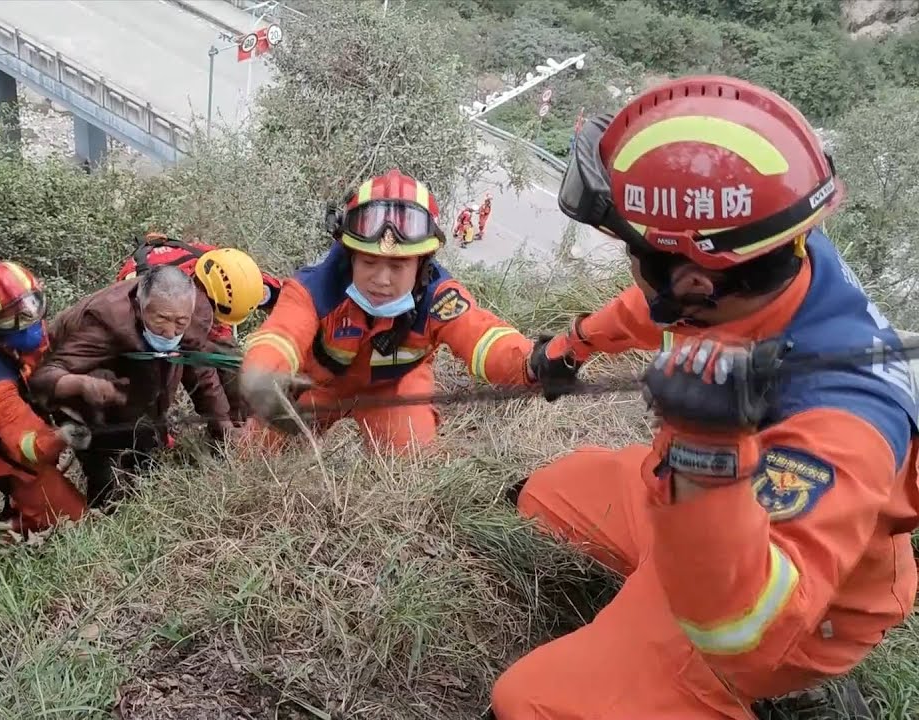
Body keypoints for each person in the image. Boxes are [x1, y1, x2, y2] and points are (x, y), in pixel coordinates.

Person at [490, 75, 919, 719]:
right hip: (697, 509)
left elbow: (746, 629)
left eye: (631, 249)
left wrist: (706, 454)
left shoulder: (845, 422)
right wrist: (571, 348)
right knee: (539, 497)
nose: (627, 261)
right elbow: (654, 307)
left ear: (692, 281)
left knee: (525, 705)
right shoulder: (766, 257)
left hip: (784, 603)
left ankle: (784, 692)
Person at [238, 168, 546, 454]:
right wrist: (262, 372)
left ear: (422, 263)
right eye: (369, 262)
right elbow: (281, 334)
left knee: (413, 465)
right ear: (350, 256)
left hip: (395, 388)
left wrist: (534, 363)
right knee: (258, 451)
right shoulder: (314, 289)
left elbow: (482, 337)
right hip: (319, 385)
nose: (382, 279)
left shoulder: (439, 297)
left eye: (398, 266)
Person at [29, 265, 233, 510]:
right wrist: (82, 384)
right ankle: (102, 511)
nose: (170, 332)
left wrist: (222, 421)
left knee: (148, 460)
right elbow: (43, 377)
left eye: (180, 322)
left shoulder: (195, 314)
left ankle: (142, 503)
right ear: (140, 307)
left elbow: (198, 368)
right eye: (161, 320)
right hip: (87, 399)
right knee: (104, 473)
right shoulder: (104, 320)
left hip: (138, 389)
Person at [0, 261, 100, 534]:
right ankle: (12, 528)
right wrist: (62, 437)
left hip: (30, 434)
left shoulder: (21, 339)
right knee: (79, 526)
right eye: (12, 317)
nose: (29, 320)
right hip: (4, 458)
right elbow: (24, 444)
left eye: (32, 306)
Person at [116, 232, 283, 423]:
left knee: (235, 370)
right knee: (157, 384)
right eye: (215, 316)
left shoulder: (220, 266)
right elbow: (203, 379)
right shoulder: (157, 299)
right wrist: (223, 424)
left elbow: (272, 291)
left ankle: (245, 422)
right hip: (154, 324)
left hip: (196, 299)